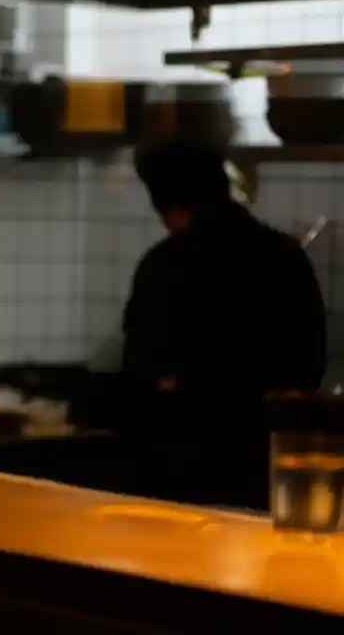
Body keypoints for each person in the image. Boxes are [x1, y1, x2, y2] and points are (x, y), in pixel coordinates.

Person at [123, 141, 325, 509]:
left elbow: (143, 369)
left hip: (184, 464)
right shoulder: (286, 257)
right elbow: (309, 369)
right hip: (267, 464)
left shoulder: (167, 265)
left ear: (172, 208)